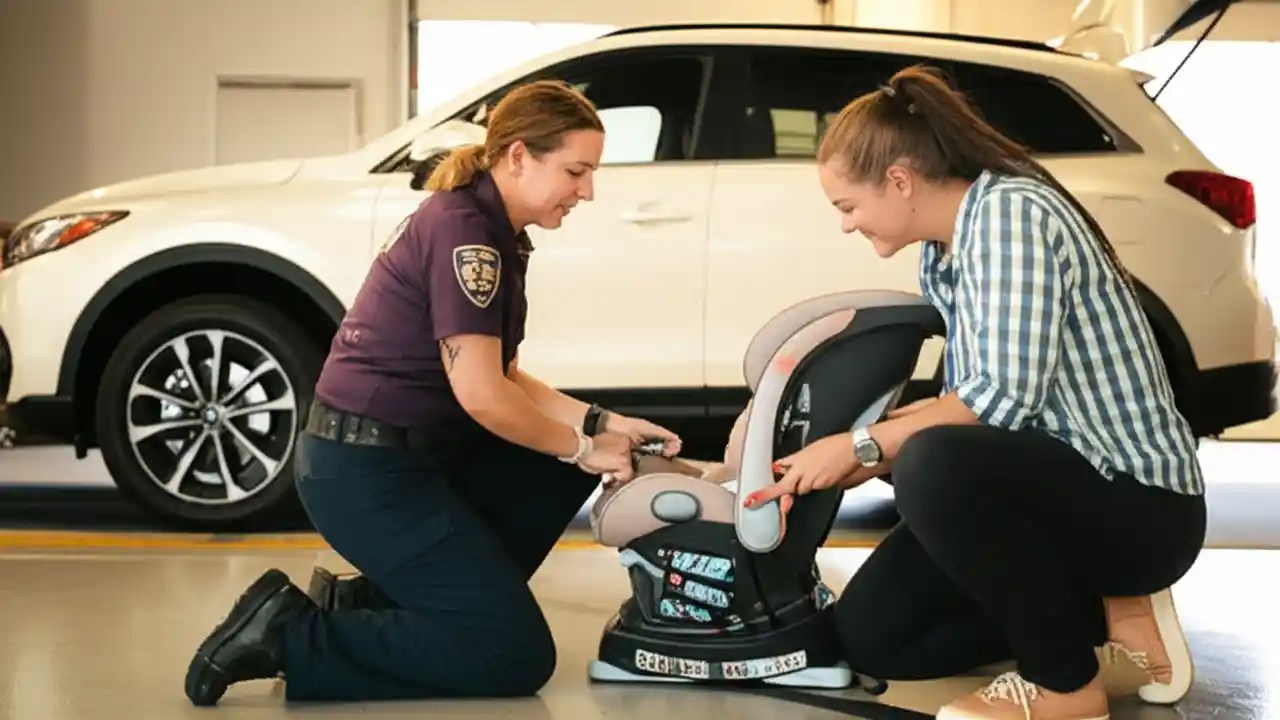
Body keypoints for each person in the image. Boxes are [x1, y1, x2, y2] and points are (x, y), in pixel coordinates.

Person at [184, 79, 682, 706]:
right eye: (577, 171)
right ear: (519, 156)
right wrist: (582, 447)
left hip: (406, 458)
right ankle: (287, 633)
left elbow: (500, 372)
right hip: (368, 472)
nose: (588, 190)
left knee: (551, 471)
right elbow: (481, 396)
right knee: (511, 654)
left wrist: (603, 421)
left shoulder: (489, 226)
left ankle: (366, 605)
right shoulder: (466, 234)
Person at [744, 65, 1206, 720]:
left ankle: (1067, 687)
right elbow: (973, 404)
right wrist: (851, 457)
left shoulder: (1009, 215)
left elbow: (999, 399)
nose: (847, 225)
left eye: (848, 207)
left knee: (933, 462)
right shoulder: (945, 248)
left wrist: (863, 445)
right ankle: (1106, 621)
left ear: (900, 181)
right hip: (1056, 488)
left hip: (1137, 504)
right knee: (875, 639)